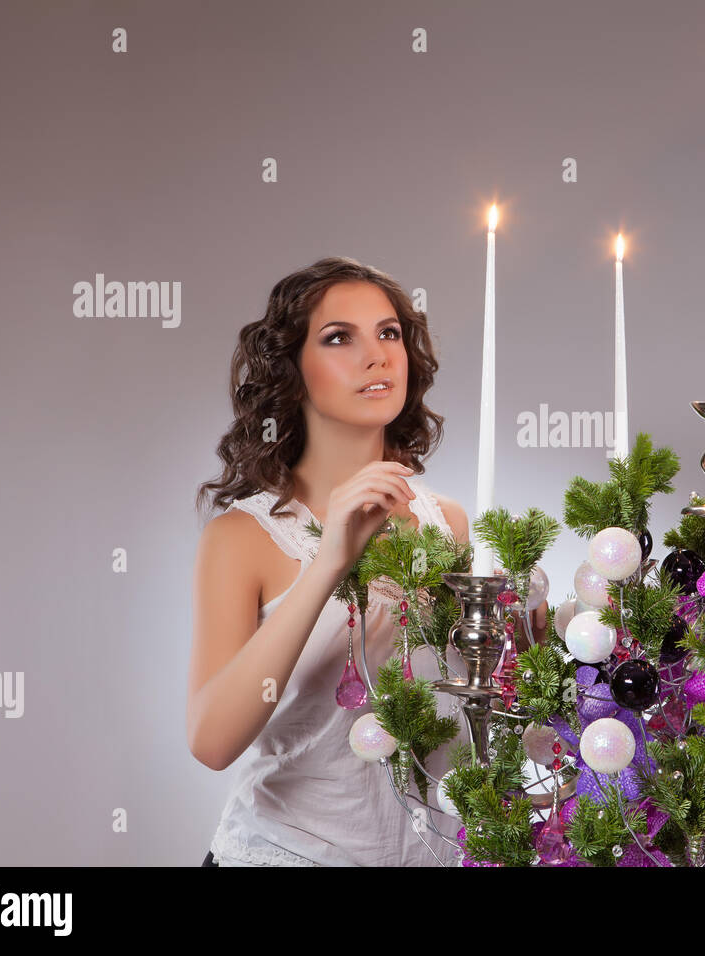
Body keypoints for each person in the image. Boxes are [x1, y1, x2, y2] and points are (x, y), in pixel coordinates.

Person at [188, 256, 546, 866]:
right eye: (338, 338)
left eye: (388, 333)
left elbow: (485, 702)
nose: (376, 355)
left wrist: (544, 634)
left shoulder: (448, 524)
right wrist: (329, 562)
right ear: (293, 373)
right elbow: (211, 741)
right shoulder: (244, 537)